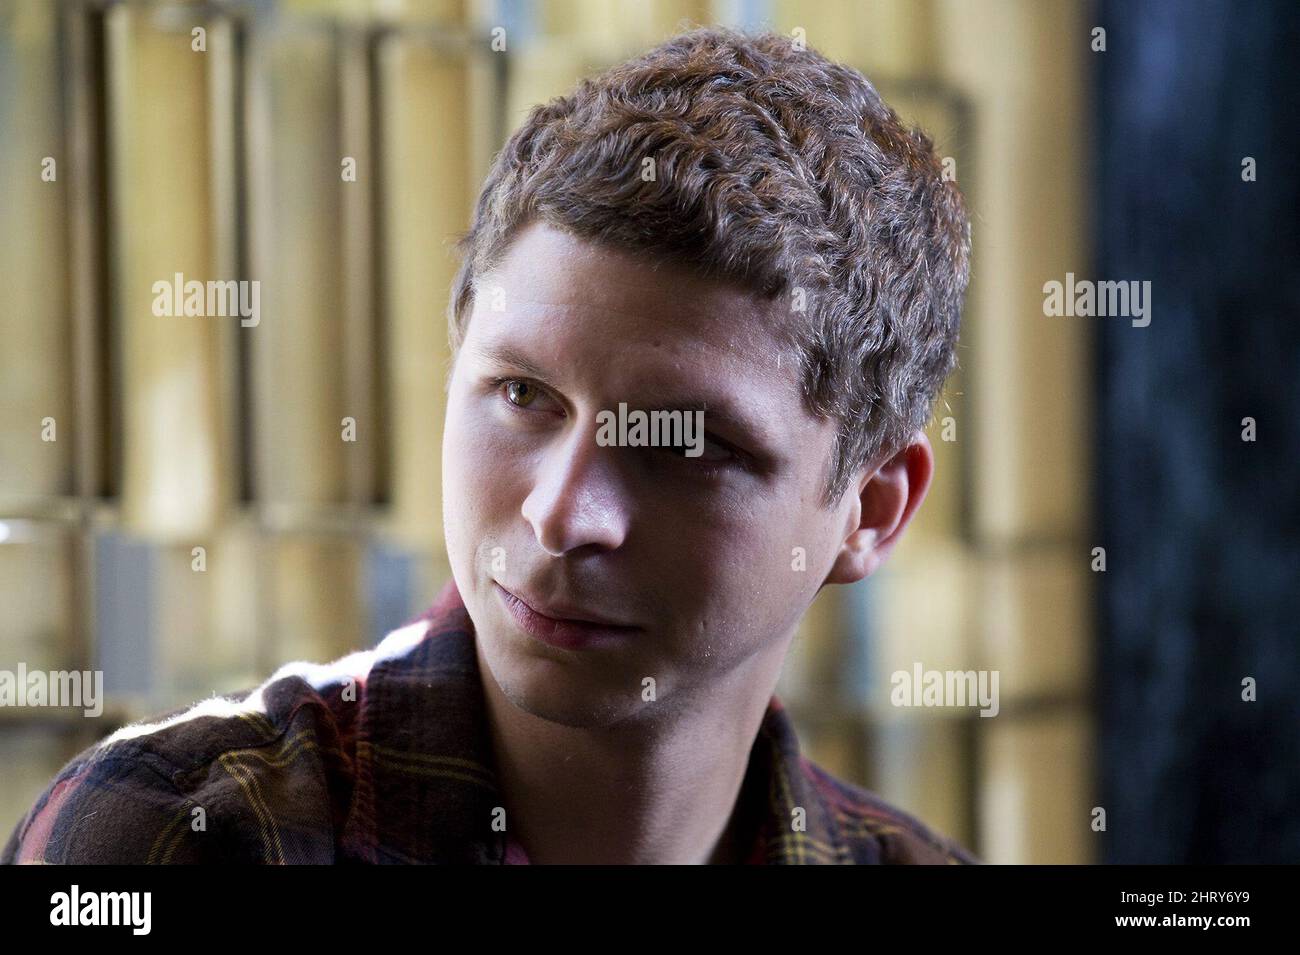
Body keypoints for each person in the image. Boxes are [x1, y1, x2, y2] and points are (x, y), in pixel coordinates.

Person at [3, 26, 974, 865]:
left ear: (869, 509)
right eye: (522, 394)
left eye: (685, 446)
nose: (561, 512)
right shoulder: (176, 839)